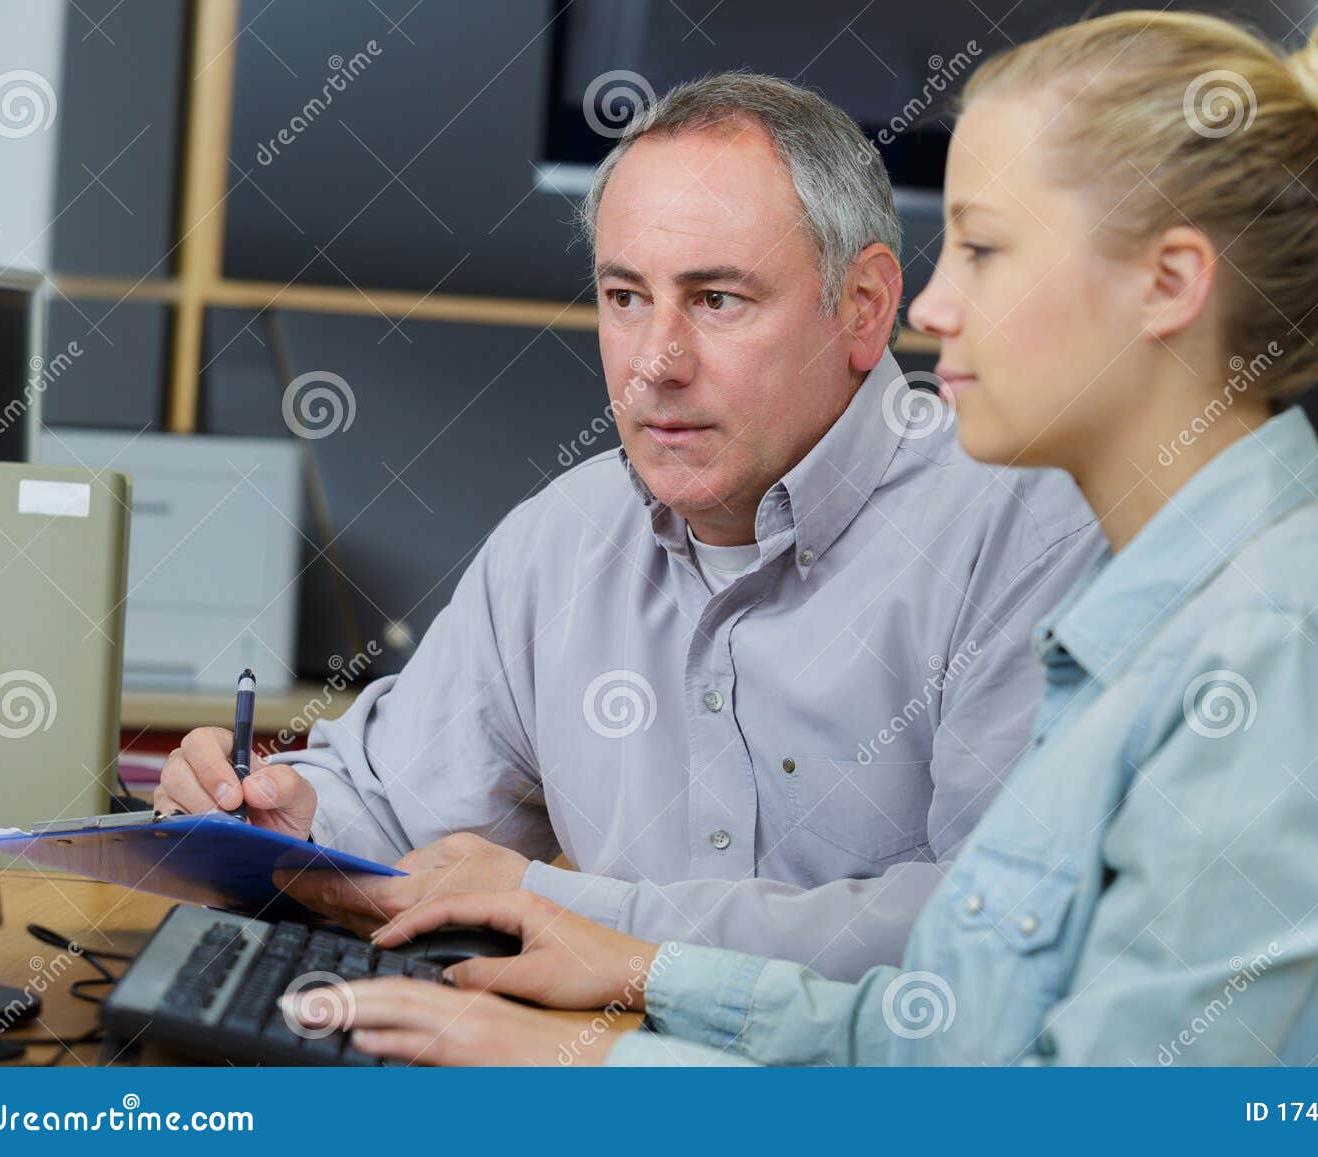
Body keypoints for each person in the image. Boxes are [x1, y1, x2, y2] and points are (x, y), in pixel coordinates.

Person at [284, 10, 1318, 1066]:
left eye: (983, 250)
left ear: (1168, 284)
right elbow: (955, 1036)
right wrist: (643, 972)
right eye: (624, 294)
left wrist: (586, 1067)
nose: (933, 310)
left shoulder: (1271, 642)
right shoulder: (1172, 602)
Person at [154, 73, 1102, 981]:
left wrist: (569, 913)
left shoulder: (1024, 527)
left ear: (864, 309)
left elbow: (996, 928)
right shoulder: (562, 538)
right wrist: (276, 819)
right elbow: (393, 806)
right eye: (625, 298)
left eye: (717, 299)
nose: (656, 362)